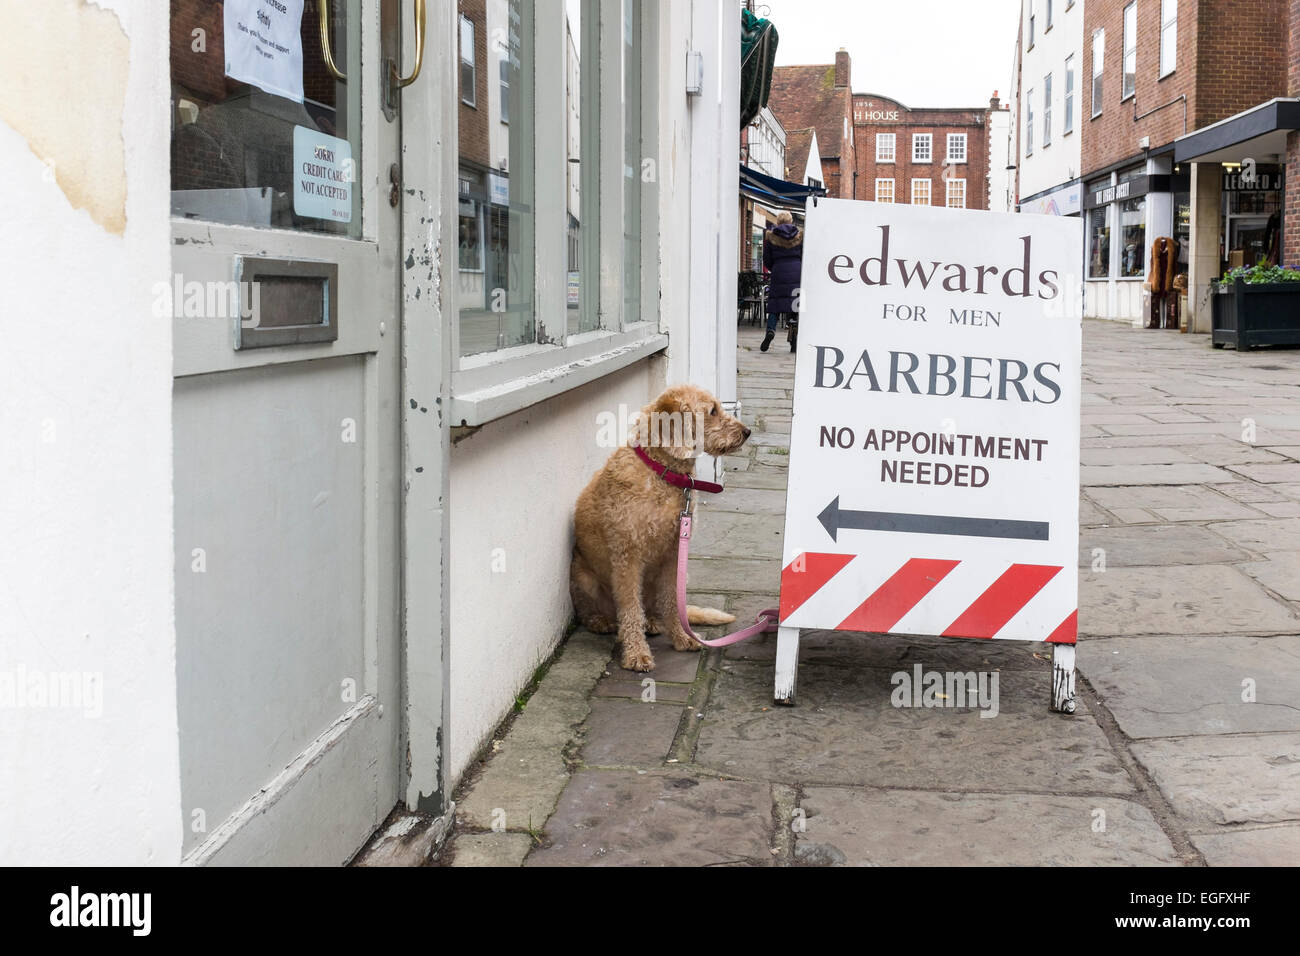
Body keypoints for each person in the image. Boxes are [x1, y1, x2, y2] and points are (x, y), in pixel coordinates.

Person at [761, 211, 803, 352]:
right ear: (791, 221)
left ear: (778, 222)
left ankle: (770, 331)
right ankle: (795, 340)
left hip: (779, 272)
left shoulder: (771, 237)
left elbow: (766, 259)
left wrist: (775, 267)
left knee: (775, 305)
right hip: (797, 272)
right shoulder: (800, 236)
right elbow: (805, 254)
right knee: (796, 306)